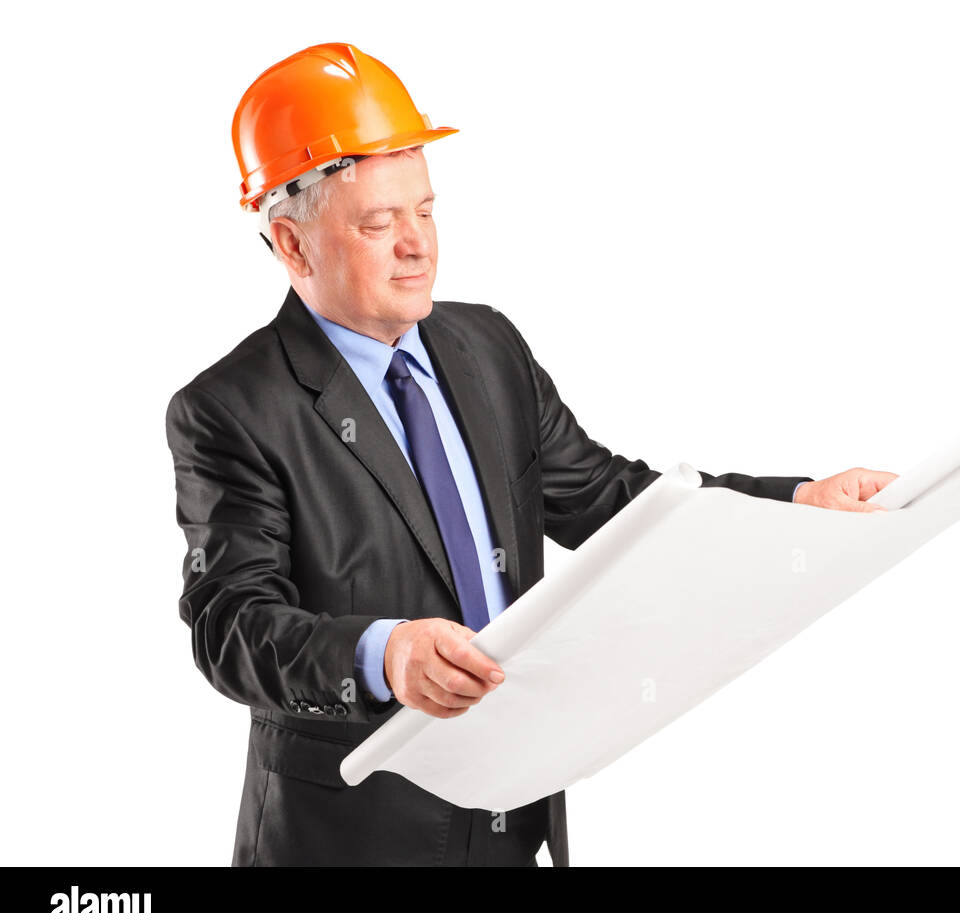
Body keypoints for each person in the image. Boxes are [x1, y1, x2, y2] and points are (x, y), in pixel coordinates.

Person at [165, 42, 897, 866]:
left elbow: (610, 499)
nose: (418, 246)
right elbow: (232, 627)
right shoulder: (231, 409)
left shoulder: (486, 346)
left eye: (427, 211)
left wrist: (793, 503)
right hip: (355, 835)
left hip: (515, 812)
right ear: (293, 246)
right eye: (378, 223)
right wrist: (383, 655)